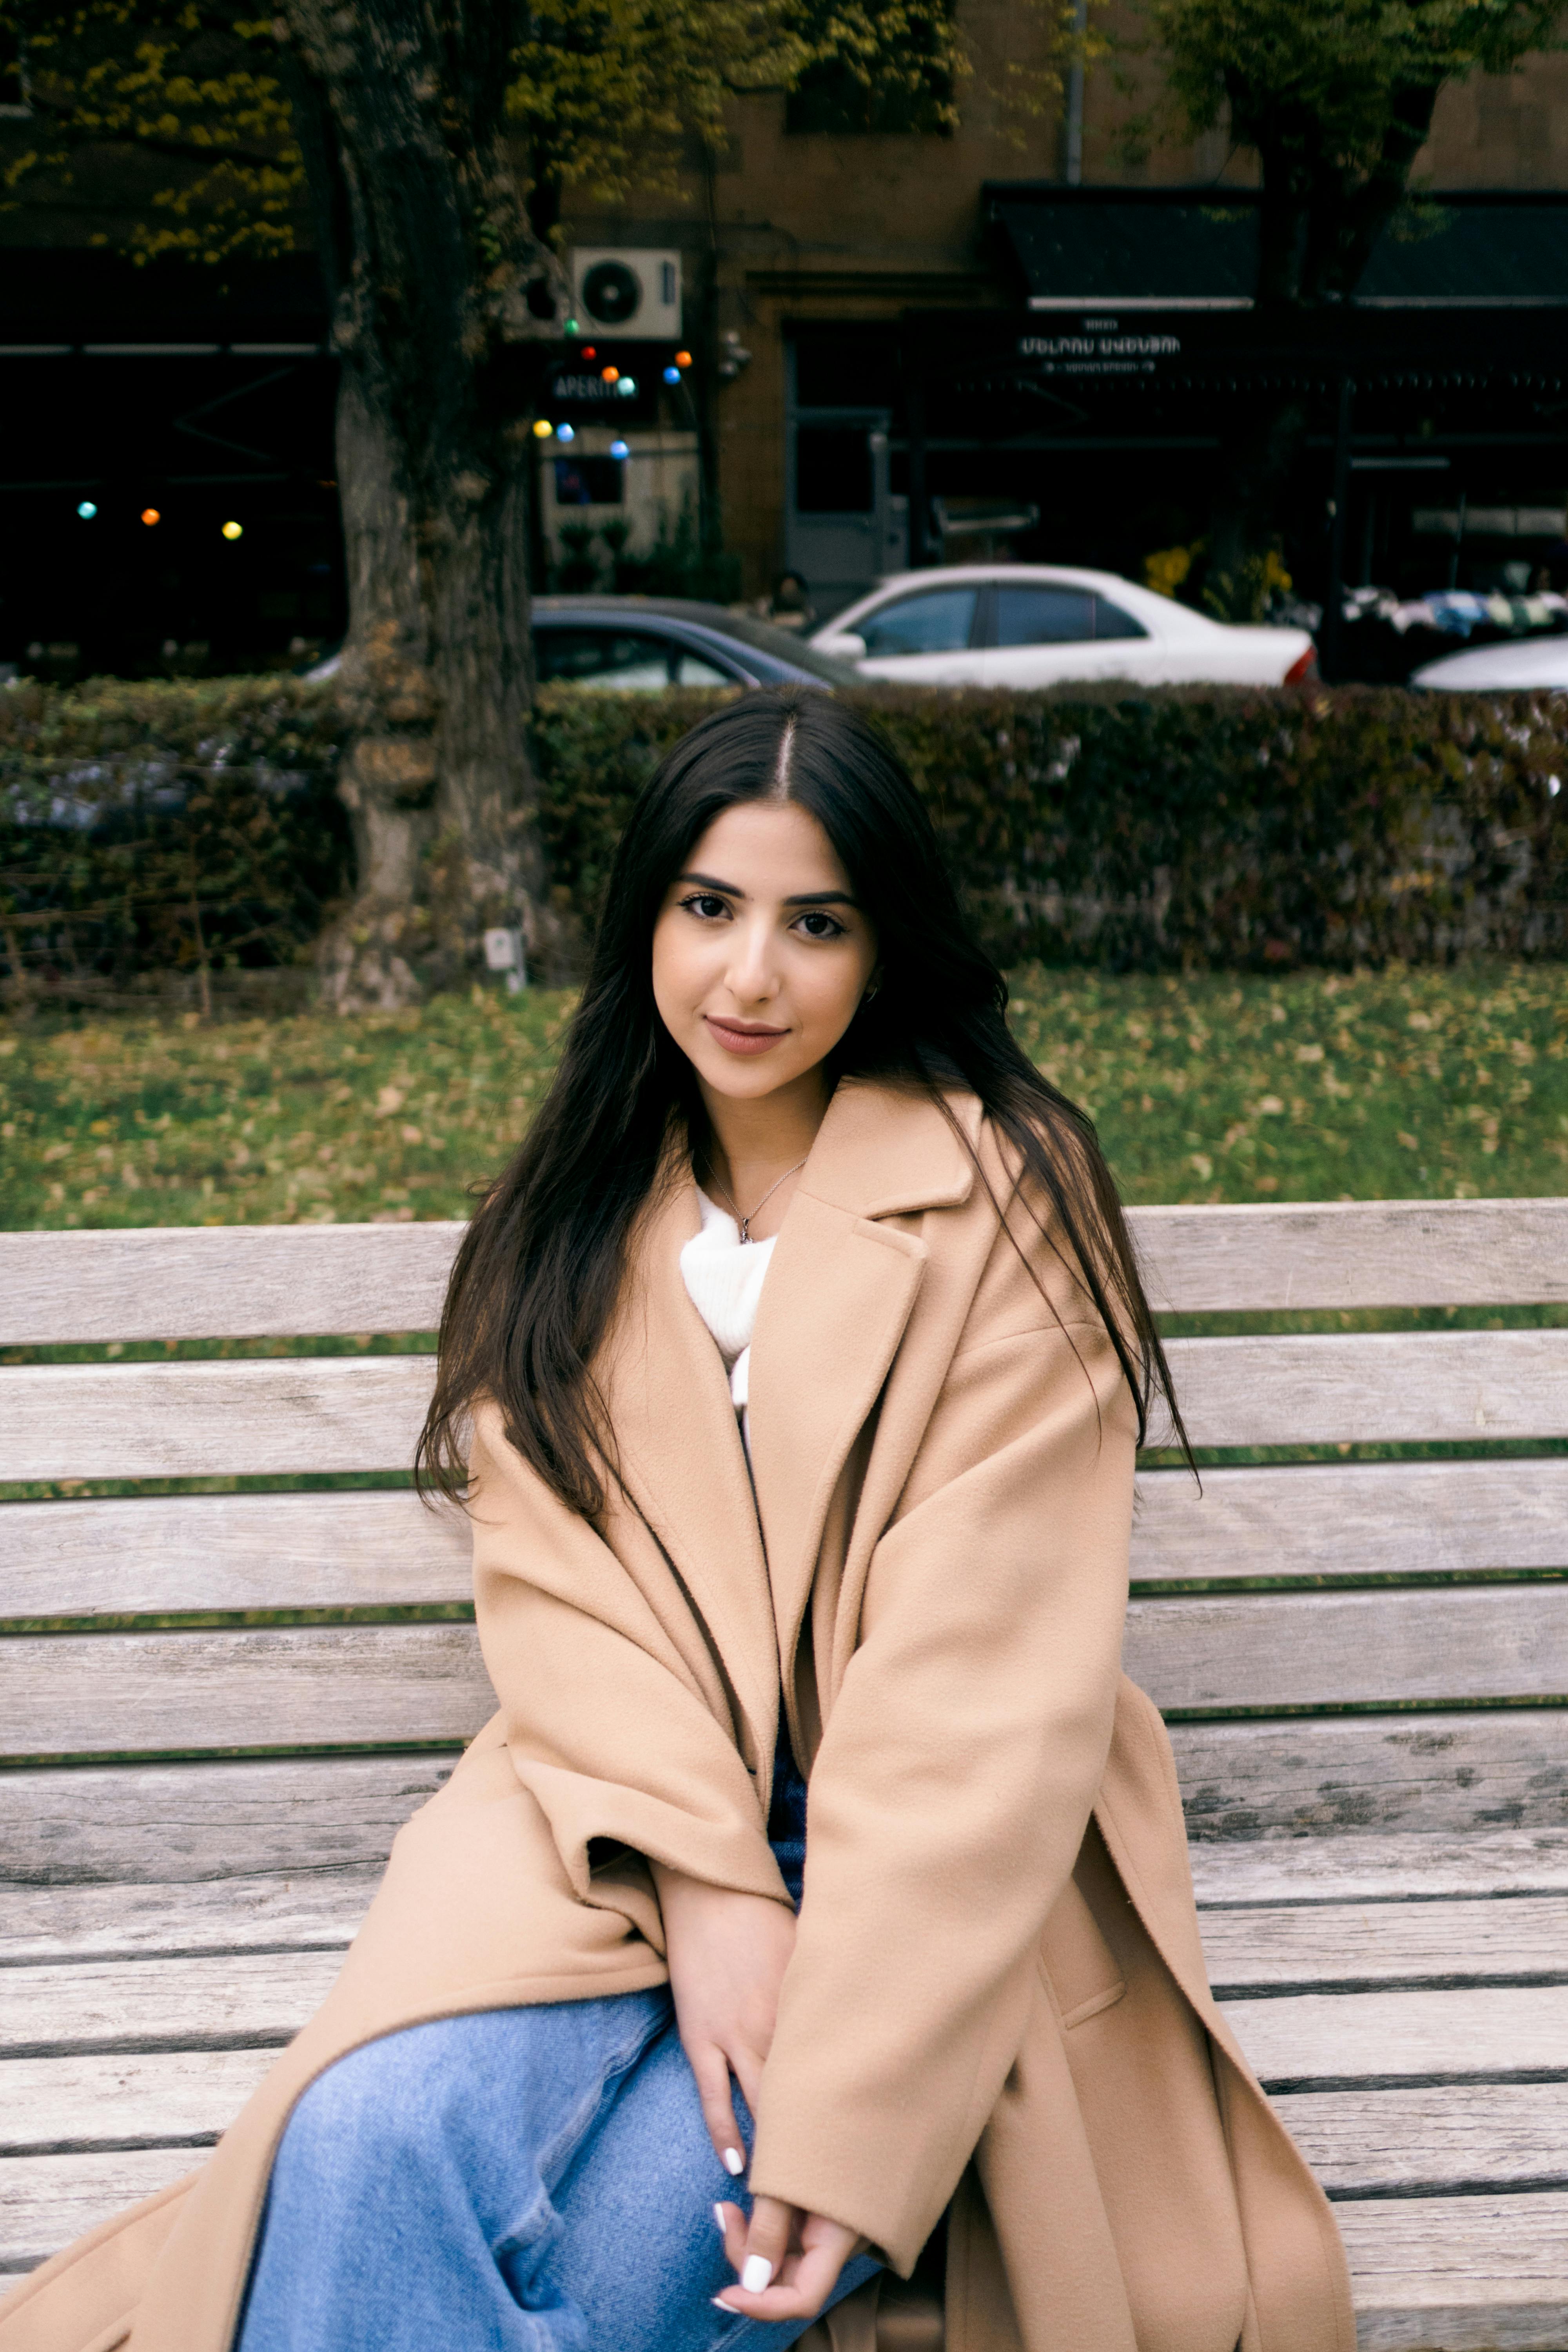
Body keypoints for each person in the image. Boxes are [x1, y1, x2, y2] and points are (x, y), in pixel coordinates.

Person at [0, 690, 1353, 2352]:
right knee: (358, 2153)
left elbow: (979, 1697)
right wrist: (711, 1890)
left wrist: (852, 2118)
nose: (750, 976)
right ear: (647, 915)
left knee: (597, 2275)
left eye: (815, 923)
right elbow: (559, 1594)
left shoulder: (1007, 1193)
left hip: (920, 1889)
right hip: (619, 1837)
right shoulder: (576, 1204)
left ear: (882, 949)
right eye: (707, 907)